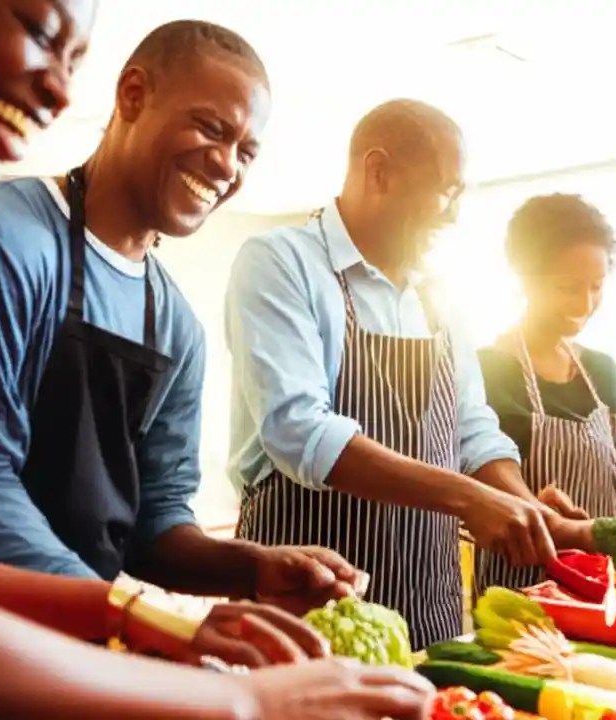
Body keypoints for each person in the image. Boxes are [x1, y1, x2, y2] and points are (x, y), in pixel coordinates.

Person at [0, 2, 432, 717]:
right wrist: (240, 704)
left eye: (74, 62)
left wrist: (149, 613)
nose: (61, 92)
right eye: (41, 33)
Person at [0, 20, 360, 619]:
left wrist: (250, 567)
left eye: (246, 152)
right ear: (133, 96)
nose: (226, 165)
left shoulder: (176, 327)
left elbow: (155, 522)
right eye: (212, 128)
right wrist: (139, 615)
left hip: (83, 638)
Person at [225, 99, 559, 649]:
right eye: (446, 191)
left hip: (432, 607)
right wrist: (468, 498)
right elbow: (298, 431)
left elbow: (472, 429)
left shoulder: (439, 294)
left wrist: (526, 509)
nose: (453, 213)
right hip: (312, 607)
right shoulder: (280, 261)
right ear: (378, 171)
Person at [474, 194, 616, 594]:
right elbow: (475, 491)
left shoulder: (603, 373)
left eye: (596, 287)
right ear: (525, 279)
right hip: (522, 586)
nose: (584, 304)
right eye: (567, 288)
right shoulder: (485, 372)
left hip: (605, 584)